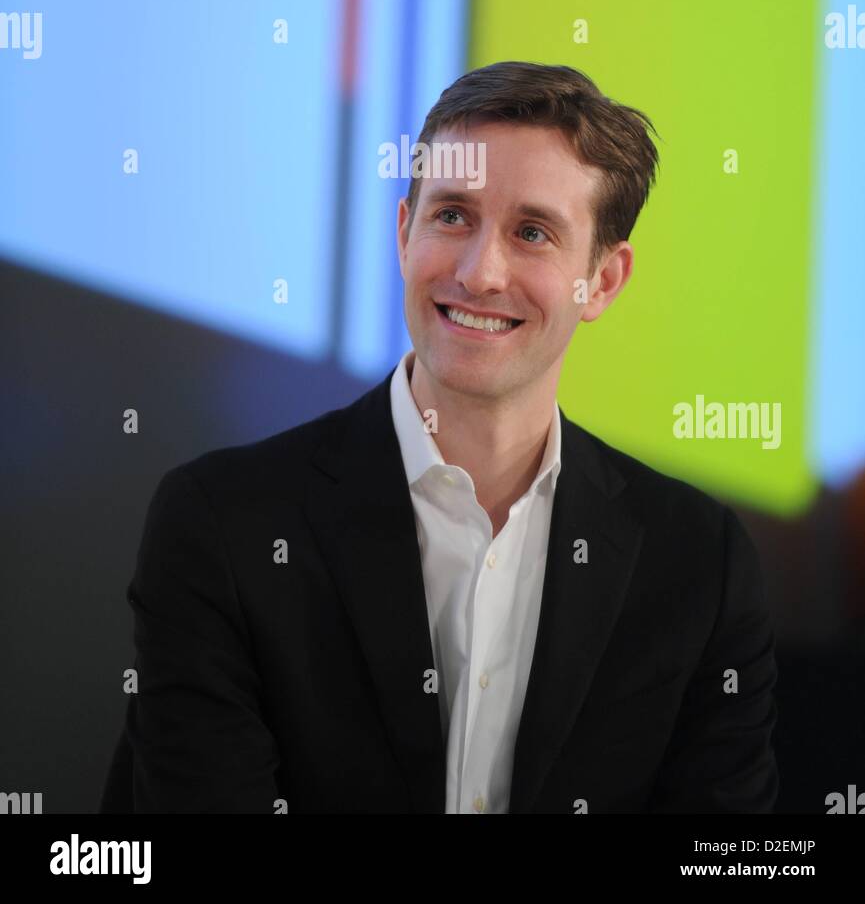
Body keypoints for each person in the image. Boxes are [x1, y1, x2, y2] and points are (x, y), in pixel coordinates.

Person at [101, 61, 778, 814]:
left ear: (604, 281)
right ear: (403, 231)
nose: (479, 271)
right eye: (452, 215)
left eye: (531, 232)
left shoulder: (696, 561)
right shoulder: (222, 523)